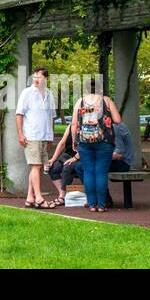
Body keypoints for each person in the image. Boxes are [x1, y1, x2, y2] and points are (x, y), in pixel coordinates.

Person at [71, 78, 121, 212]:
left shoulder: (80, 101)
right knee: (101, 172)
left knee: (88, 172)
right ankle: (101, 205)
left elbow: (75, 123)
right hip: (104, 142)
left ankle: (92, 204)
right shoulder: (106, 100)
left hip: (84, 142)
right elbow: (117, 120)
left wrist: (74, 140)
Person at [15, 68, 56, 208]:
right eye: (34, 77)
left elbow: (51, 117)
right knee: (36, 166)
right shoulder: (27, 92)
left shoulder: (50, 94)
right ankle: (39, 198)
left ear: (46, 79)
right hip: (32, 135)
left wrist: (50, 137)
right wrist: (20, 134)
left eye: (39, 77)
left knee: (37, 168)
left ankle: (29, 198)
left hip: (44, 135)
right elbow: (19, 114)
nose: (36, 79)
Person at [45, 122, 80, 207]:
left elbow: (84, 147)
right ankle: (62, 193)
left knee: (67, 168)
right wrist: (53, 159)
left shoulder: (87, 127)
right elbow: (62, 143)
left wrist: (75, 158)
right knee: (52, 167)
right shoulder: (70, 126)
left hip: (80, 157)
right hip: (67, 156)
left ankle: (62, 197)